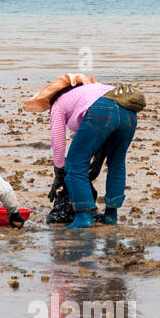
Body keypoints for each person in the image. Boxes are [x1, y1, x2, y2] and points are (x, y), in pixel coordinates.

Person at [23, 74, 140, 229]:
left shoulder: (58, 103)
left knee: (74, 165)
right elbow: (103, 134)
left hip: (102, 111)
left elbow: (58, 142)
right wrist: (97, 161)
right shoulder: (92, 90)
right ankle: (111, 215)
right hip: (129, 112)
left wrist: (59, 174)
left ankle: (84, 217)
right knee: (117, 163)